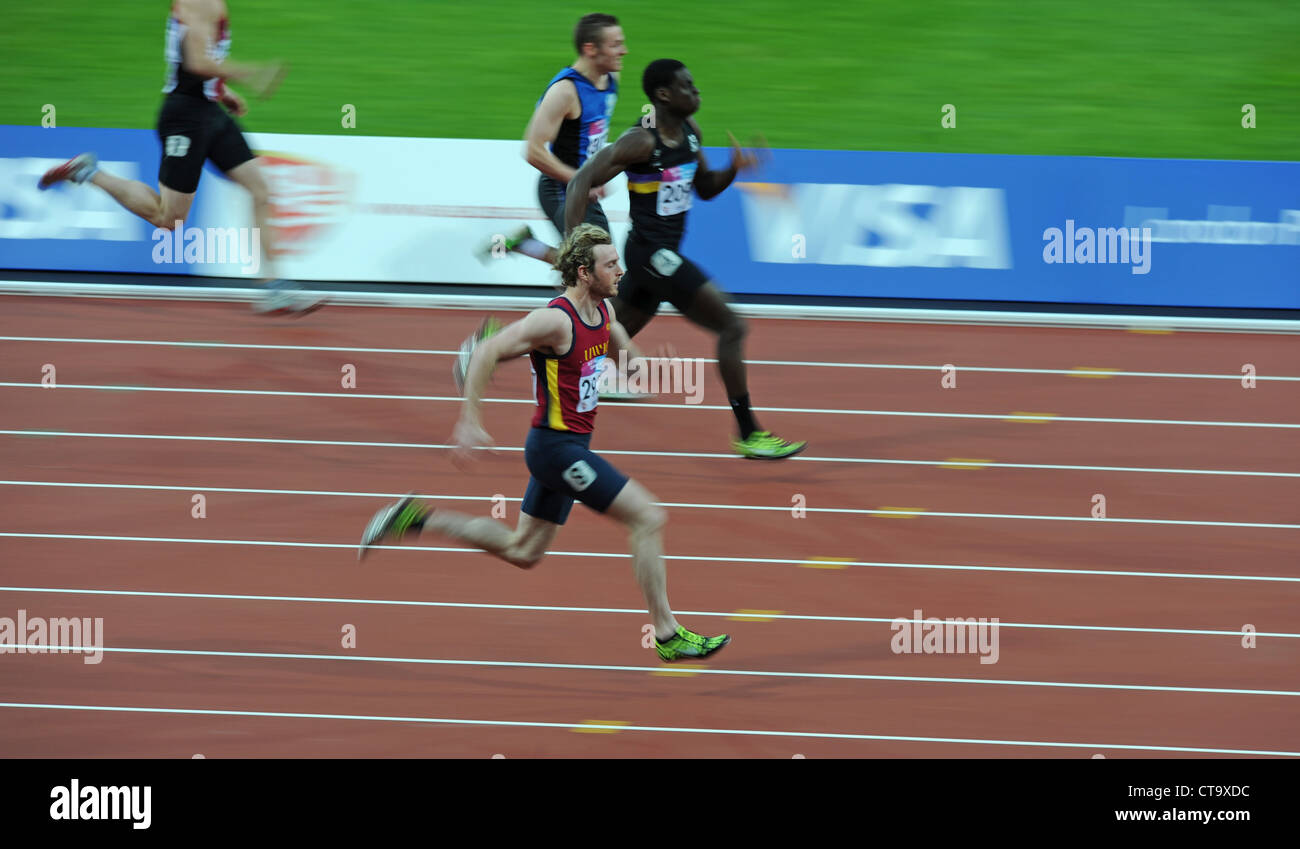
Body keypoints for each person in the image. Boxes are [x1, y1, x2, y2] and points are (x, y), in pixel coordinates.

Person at [360, 224, 730, 663]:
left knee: (523, 551)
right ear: (584, 272)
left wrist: (648, 368)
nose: (621, 270)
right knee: (648, 518)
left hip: (569, 447)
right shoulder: (555, 320)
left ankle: (416, 519)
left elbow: (628, 361)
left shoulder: (602, 314)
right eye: (611, 264)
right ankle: (667, 633)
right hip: (556, 450)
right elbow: (484, 354)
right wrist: (469, 421)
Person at [564, 59, 806, 459]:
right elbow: (580, 180)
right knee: (732, 327)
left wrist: (733, 168)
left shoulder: (691, 135)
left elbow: (706, 188)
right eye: (687, 87)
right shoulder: (640, 142)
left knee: (596, 333)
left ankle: (511, 355)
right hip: (650, 255)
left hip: (661, 255)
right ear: (663, 95)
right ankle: (749, 433)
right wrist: (576, 247)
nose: (697, 93)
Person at [37, 0, 321, 316]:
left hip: (208, 112)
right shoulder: (200, 3)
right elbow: (197, 61)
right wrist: (250, 72)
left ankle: (273, 286)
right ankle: (88, 172)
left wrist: (222, 92)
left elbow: (195, 58)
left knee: (260, 189)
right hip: (185, 118)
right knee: (168, 219)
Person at [484, 13, 626, 268]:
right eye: (615, 45)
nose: (623, 51)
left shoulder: (610, 79)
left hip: (584, 189)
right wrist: (580, 180)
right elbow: (532, 150)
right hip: (561, 190)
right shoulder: (564, 92)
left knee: (586, 267)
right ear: (590, 49)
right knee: (599, 266)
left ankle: (526, 244)